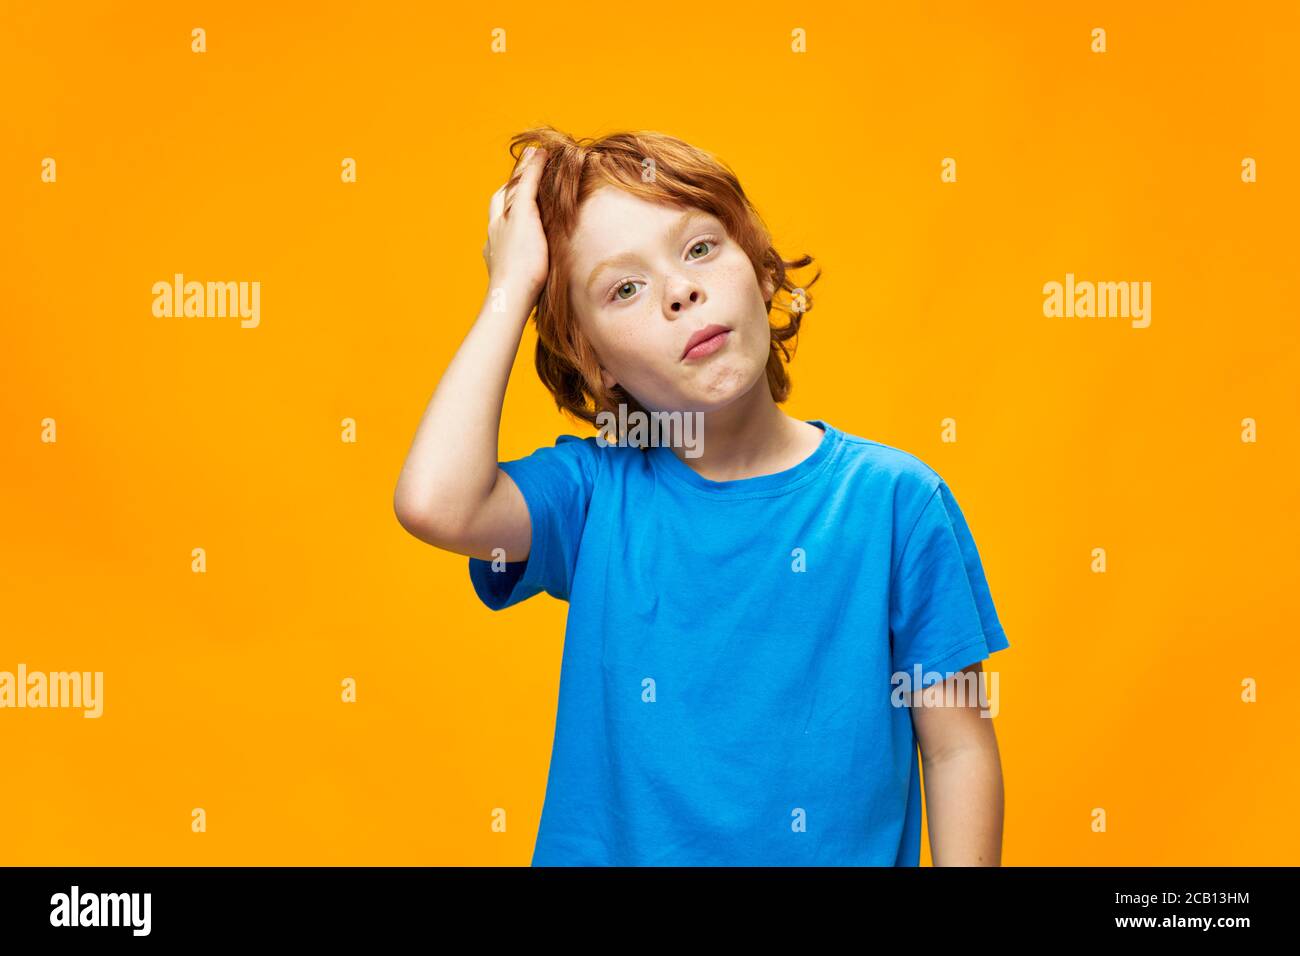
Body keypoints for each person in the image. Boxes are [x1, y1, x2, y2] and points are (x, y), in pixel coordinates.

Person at [394, 126, 1011, 866]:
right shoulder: (595, 494)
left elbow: (957, 750)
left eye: (698, 249)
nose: (679, 291)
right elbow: (437, 504)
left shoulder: (896, 504)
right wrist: (510, 286)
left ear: (759, 269)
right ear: (594, 361)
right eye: (624, 288)